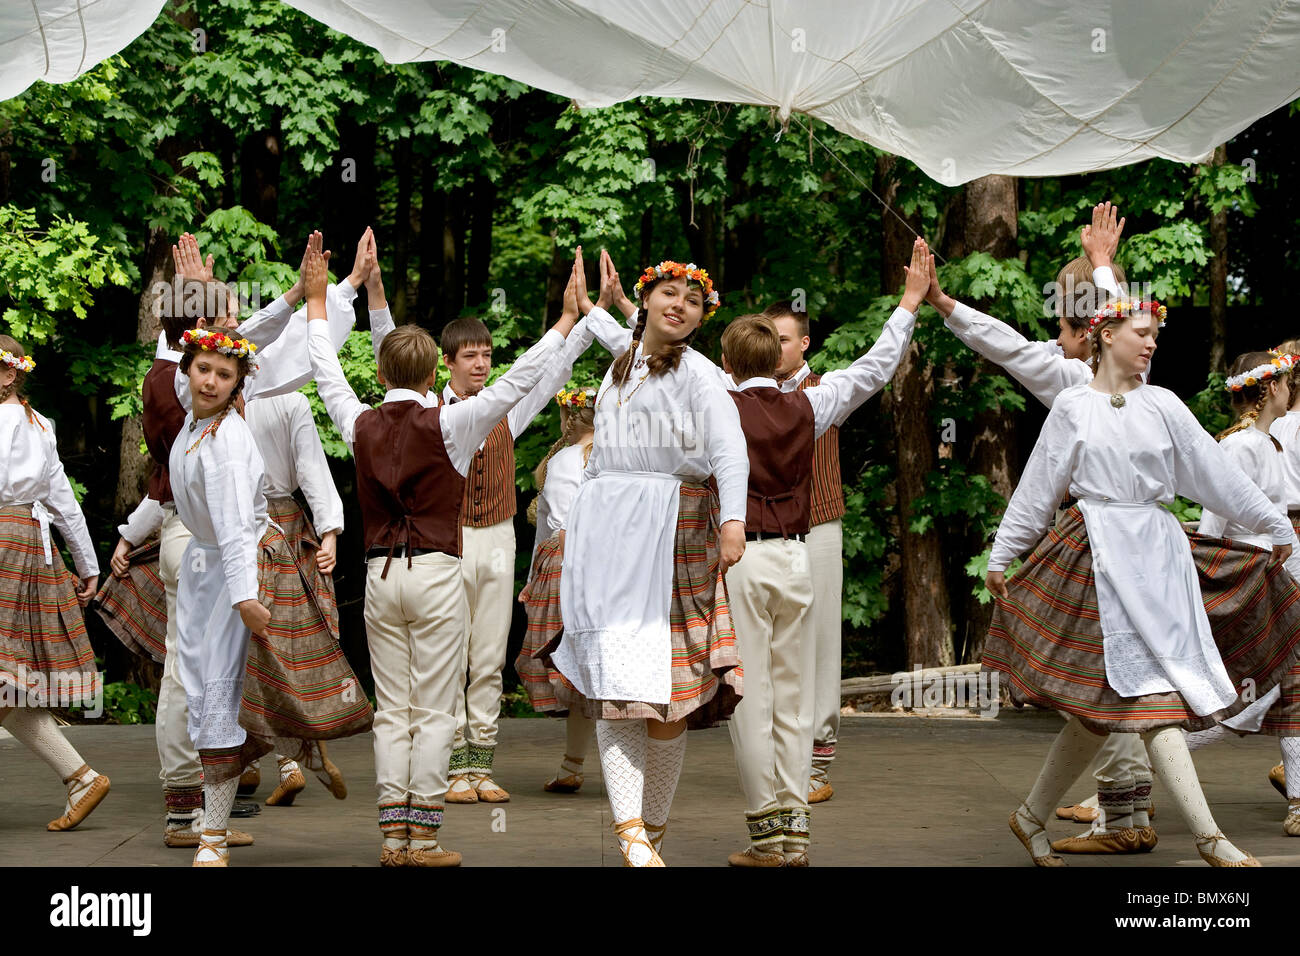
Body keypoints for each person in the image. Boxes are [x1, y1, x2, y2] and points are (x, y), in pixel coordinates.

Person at [983, 298, 1300, 867]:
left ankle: (1029, 817)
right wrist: (1003, 555)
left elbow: (1214, 472)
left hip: (1159, 557)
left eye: (1154, 335)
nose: (1152, 343)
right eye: (1142, 333)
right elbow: (1038, 487)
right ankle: (1210, 840)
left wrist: (1273, 523)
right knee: (1153, 702)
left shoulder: (1164, 404)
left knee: (1108, 707)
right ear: (1105, 336)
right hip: (1099, 555)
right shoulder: (1074, 406)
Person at [308, 244, 581, 867]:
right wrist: (564, 323)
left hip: (379, 575)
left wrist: (320, 301)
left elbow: (325, 368)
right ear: (436, 377)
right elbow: (517, 381)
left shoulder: (359, 422)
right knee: (432, 708)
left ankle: (390, 834)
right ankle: (421, 835)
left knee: (393, 708)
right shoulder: (453, 425)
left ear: (380, 376)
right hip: (435, 570)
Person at [104, 229, 365, 845]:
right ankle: (192, 804)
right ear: (192, 351)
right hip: (196, 548)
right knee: (195, 678)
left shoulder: (202, 396)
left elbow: (248, 347)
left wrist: (306, 295)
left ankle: (211, 808)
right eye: (216, 312)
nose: (217, 374)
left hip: (217, 552)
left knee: (215, 679)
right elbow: (243, 353)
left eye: (225, 370)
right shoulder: (185, 395)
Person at [928, 202, 1157, 850]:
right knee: (1121, 675)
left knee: (1107, 679)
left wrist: (1106, 267)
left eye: (1062, 323)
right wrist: (948, 306)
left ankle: (1119, 814)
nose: (1055, 336)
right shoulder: (1095, 378)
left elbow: (1009, 346)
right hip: (1124, 543)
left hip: (1109, 545)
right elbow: (1005, 342)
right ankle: (1125, 812)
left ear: (1087, 330)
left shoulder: (1092, 378)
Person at [720, 243, 928, 866]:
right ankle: (796, 831)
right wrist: (909, 303)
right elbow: (875, 366)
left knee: (750, 696)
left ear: (728, 362)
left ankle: (768, 834)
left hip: (745, 564)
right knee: (791, 692)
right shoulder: (811, 403)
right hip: (794, 555)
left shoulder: (716, 407)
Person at [140, 322, 375, 866]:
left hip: (238, 568)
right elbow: (172, 374)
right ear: (188, 372)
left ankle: (213, 839)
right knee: (233, 684)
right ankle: (299, 750)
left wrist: (246, 596)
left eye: (225, 375)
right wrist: (189, 302)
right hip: (207, 570)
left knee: (227, 695)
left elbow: (234, 527)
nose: (211, 381)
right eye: (203, 369)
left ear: (238, 385)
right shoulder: (193, 423)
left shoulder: (224, 439)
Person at [544, 249, 749, 867]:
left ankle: (650, 832)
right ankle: (630, 832)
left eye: (692, 301)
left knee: (669, 694)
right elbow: (616, 330)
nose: (679, 306)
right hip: (608, 533)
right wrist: (589, 304)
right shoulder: (622, 364)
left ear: (703, 317)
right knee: (616, 681)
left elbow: (729, 448)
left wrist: (734, 520)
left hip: (672, 529)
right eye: (669, 294)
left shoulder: (700, 375)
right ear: (648, 301)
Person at [1187, 349, 1300, 836]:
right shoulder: (1239, 447)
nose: (1292, 388)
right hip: (1252, 578)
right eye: (1286, 382)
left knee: (1291, 683)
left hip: (1275, 574)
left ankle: (1298, 800)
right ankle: (1146, 759)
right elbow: (1215, 524)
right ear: (1271, 388)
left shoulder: (1268, 443)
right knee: (1256, 690)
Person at [0, 334, 108, 833]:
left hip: (4, 539)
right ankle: (80, 776)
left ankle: (81, 776)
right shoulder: (41, 425)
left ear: (9, 373)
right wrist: (87, 564)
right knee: (8, 688)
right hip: (29, 542)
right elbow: (63, 499)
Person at [515, 385, 598, 792]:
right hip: (611, 571)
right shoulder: (613, 457)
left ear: (567, 421)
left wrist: (533, 580)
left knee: (578, 674)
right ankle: (573, 765)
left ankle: (575, 765)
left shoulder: (565, 461)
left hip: (572, 572)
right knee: (588, 675)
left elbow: (561, 533)